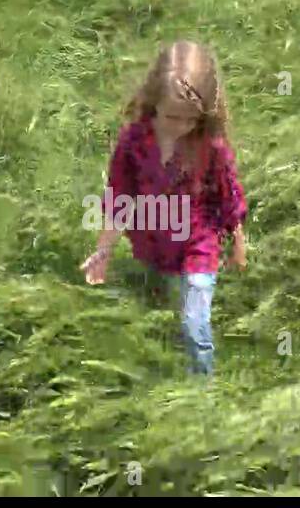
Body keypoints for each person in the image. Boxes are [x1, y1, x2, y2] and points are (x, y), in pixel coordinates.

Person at [80, 40, 248, 377]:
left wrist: (238, 242)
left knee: (194, 323)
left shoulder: (209, 147)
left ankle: (202, 391)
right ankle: (163, 345)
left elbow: (227, 195)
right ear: (153, 100)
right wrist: (103, 252)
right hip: (153, 240)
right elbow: (120, 199)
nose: (180, 126)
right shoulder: (134, 142)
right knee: (165, 299)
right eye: (171, 116)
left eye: (191, 120)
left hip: (198, 242)